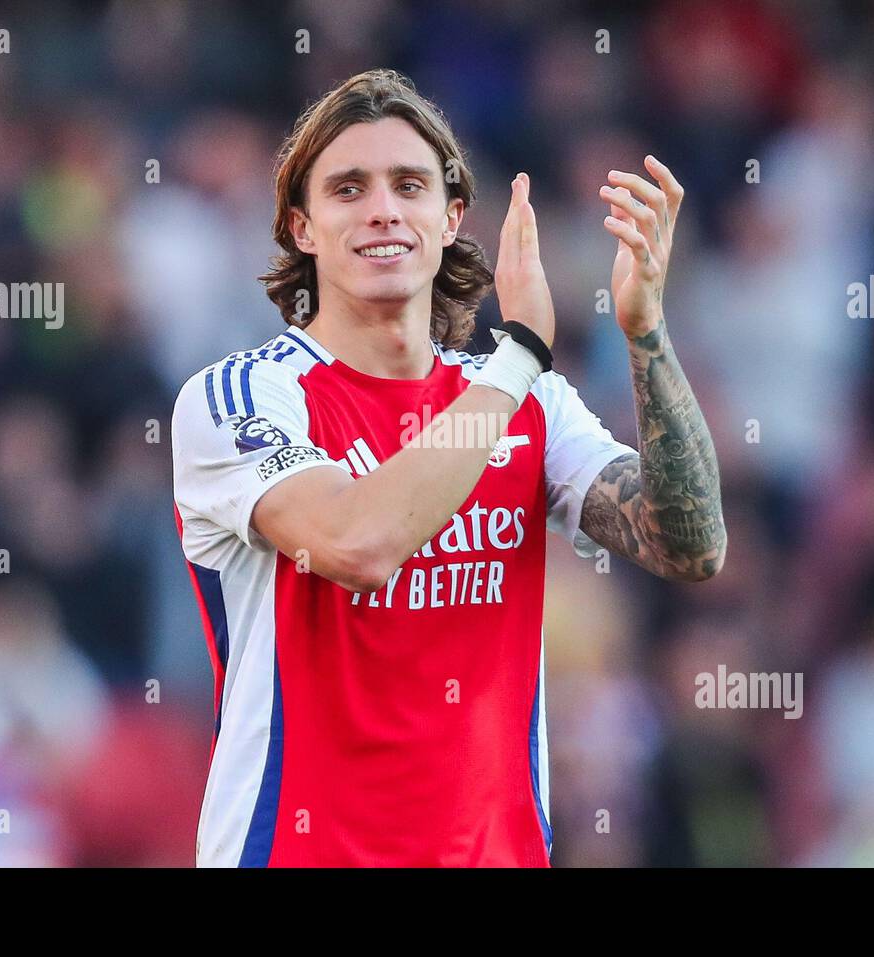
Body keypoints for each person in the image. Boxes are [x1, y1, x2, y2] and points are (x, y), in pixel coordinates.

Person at [171, 69, 726, 867]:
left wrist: (645, 333)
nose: (383, 209)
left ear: (451, 216)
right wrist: (520, 355)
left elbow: (692, 544)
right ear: (301, 227)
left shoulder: (528, 403)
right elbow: (356, 543)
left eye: (409, 185)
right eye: (348, 189)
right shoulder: (238, 398)